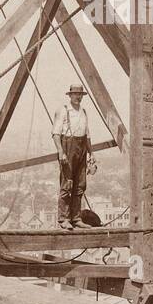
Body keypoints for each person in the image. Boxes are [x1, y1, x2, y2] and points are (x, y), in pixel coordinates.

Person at [52, 84, 94, 228]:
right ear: (70, 95)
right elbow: (56, 134)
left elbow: (87, 136)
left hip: (81, 149)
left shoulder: (83, 112)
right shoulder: (63, 111)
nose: (78, 97)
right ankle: (64, 219)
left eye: (80, 94)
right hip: (68, 148)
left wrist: (91, 153)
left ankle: (76, 218)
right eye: (75, 94)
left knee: (80, 185)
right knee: (67, 184)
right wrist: (61, 151)